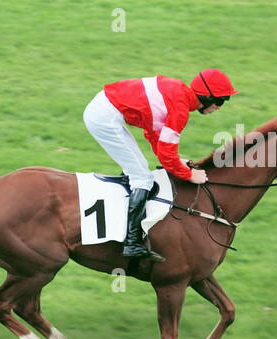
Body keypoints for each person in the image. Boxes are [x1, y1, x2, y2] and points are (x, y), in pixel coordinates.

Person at [83, 68, 238, 262]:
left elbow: (154, 134)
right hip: (105, 118)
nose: (220, 106)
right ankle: (132, 243)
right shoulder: (180, 109)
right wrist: (188, 174)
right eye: (221, 100)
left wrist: (176, 161)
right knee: (142, 177)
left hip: (104, 109)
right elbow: (165, 154)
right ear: (206, 96)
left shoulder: (178, 92)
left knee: (139, 169)